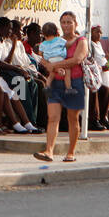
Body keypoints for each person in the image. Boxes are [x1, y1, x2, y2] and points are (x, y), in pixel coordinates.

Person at [34, 11, 89, 162]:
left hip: (74, 82)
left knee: (72, 118)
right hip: (56, 82)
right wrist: (48, 65)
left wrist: (54, 65)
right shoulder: (55, 40)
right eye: (63, 22)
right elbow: (43, 58)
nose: (66, 25)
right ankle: (49, 151)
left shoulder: (81, 41)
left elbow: (76, 59)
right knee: (52, 117)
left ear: (76, 24)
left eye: (69, 22)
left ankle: (71, 152)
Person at [0, 16, 41, 132]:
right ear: (2, 28)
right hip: (0, 73)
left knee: (32, 84)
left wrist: (14, 45)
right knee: (20, 83)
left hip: (7, 70)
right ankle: (26, 120)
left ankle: (31, 120)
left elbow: (7, 61)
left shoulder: (4, 41)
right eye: (9, 29)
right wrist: (17, 69)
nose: (10, 31)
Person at [88, 23, 109, 131]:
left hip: (104, 74)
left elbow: (104, 61)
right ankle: (97, 119)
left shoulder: (98, 44)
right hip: (97, 74)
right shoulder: (90, 44)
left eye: (100, 32)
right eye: (97, 32)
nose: (99, 34)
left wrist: (108, 58)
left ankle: (104, 119)